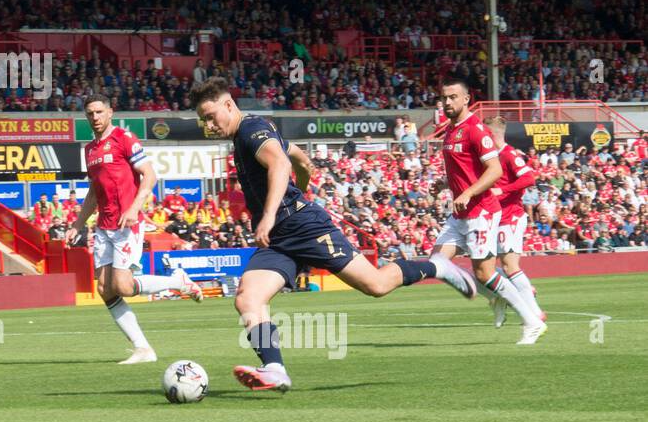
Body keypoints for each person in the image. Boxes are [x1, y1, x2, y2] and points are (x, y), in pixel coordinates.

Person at [190, 77, 477, 393]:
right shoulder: (249, 134)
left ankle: (439, 266)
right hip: (280, 238)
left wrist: (272, 213)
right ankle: (274, 370)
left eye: (210, 116)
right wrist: (301, 183)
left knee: (376, 285)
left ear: (228, 105)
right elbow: (297, 157)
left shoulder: (250, 129)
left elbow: (280, 163)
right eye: (203, 120)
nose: (209, 125)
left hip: (302, 227)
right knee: (248, 297)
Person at [69, 94, 202, 366]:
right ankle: (143, 349)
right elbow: (94, 192)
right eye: (90, 113)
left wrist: (133, 208)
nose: (95, 117)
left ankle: (178, 282)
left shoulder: (124, 139)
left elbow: (149, 175)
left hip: (127, 223)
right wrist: (77, 224)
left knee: (123, 286)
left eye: (99, 112)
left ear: (110, 112)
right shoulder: (90, 150)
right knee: (105, 289)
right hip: (104, 226)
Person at [435, 80, 546, 345]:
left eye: (453, 97)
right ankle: (494, 296)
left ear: (466, 99)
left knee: (487, 272)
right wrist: (444, 184)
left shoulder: (476, 130)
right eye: (444, 98)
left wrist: (469, 193)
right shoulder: (450, 131)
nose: (448, 102)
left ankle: (531, 321)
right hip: (461, 212)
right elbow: (465, 171)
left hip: (482, 212)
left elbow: (494, 170)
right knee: (437, 264)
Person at [483, 116, 546, 329]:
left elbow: (529, 178)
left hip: (510, 217)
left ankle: (535, 313)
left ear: (492, 135)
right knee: (484, 268)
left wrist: (503, 189)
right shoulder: (490, 157)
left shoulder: (509, 154)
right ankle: (509, 292)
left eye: (484, 133)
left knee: (510, 266)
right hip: (494, 217)